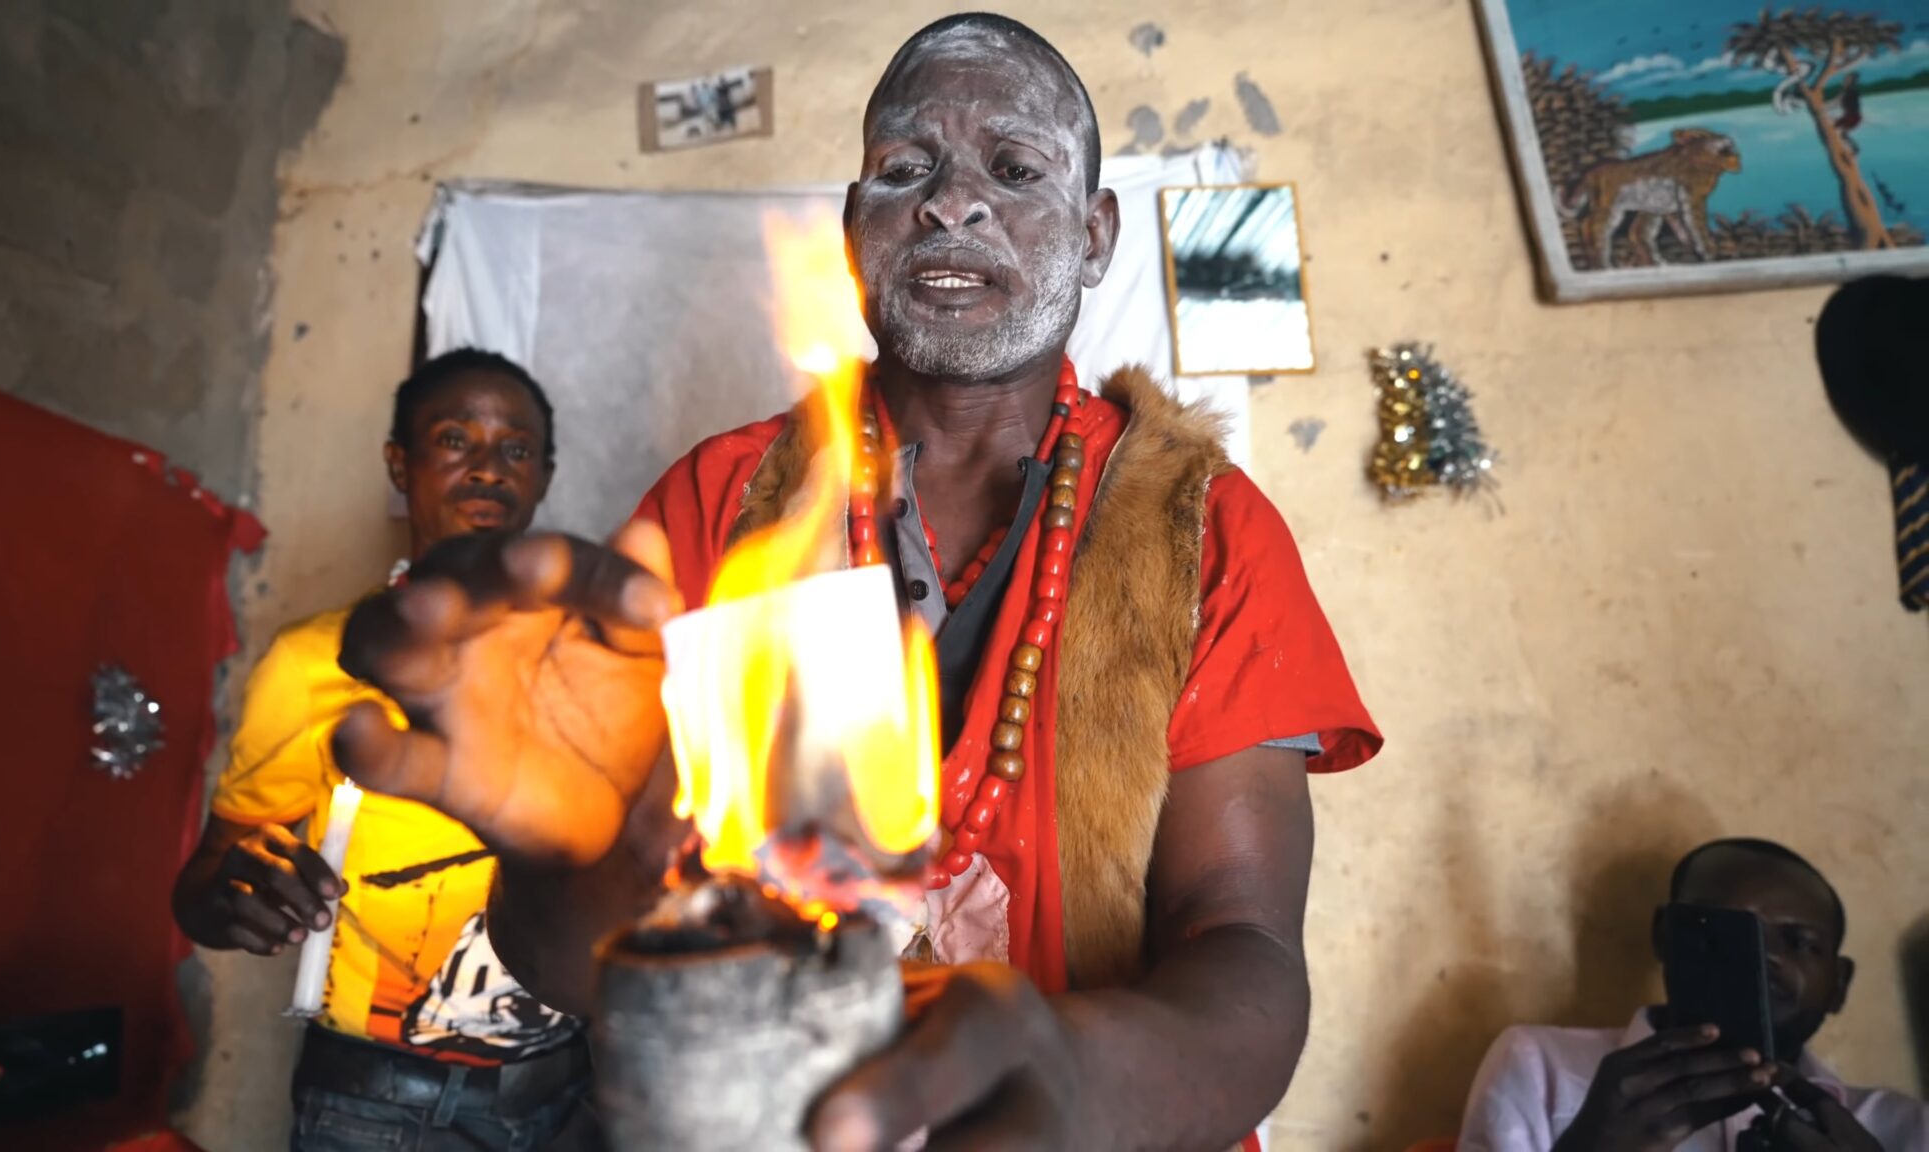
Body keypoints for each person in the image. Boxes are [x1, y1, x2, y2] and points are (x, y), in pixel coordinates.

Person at [331, 13, 1382, 1150]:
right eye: (903, 170)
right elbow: (570, 965)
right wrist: (568, 863)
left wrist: (1073, 1082)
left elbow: (1245, 951)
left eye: (1013, 168)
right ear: (852, 231)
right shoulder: (717, 501)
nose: (947, 203)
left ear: (1093, 235)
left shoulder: (1205, 527)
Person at [171, 349, 595, 1151]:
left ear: (542, 476)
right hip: (381, 1110)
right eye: (454, 439)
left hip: (567, 1101)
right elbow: (198, 890)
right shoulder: (315, 662)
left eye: (514, 449)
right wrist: (236, 889)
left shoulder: (590, 665)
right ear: (400, 465)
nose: (486, 468)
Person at [1458, 838, 1929, 1151]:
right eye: (1723, 932)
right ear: (1665, 937)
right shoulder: (1542, 1067)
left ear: (1839, 986)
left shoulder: (1901, 1127)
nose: (1763, 957)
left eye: (1798, 941)